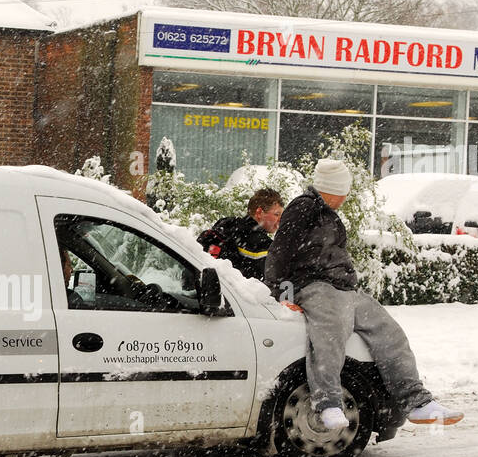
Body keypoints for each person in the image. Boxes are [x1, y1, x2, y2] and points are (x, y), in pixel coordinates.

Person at [264, 158, 463, 432]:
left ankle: (416, 402)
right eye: (344, 191)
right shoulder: (303, 207)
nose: (346, 197)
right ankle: (327, 403)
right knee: (331, 332)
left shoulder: (327, 214)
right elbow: (280, 250)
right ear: (331, 189)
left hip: (344, 288)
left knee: (389, 331)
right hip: (315, 285)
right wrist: (280, 291)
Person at [197, 188, 284, 281]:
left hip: (198, 290)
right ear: (259, 212)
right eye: (276, 214)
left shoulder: (227, 225)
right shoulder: (260, 243)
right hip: (230, 294)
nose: (280, 219)